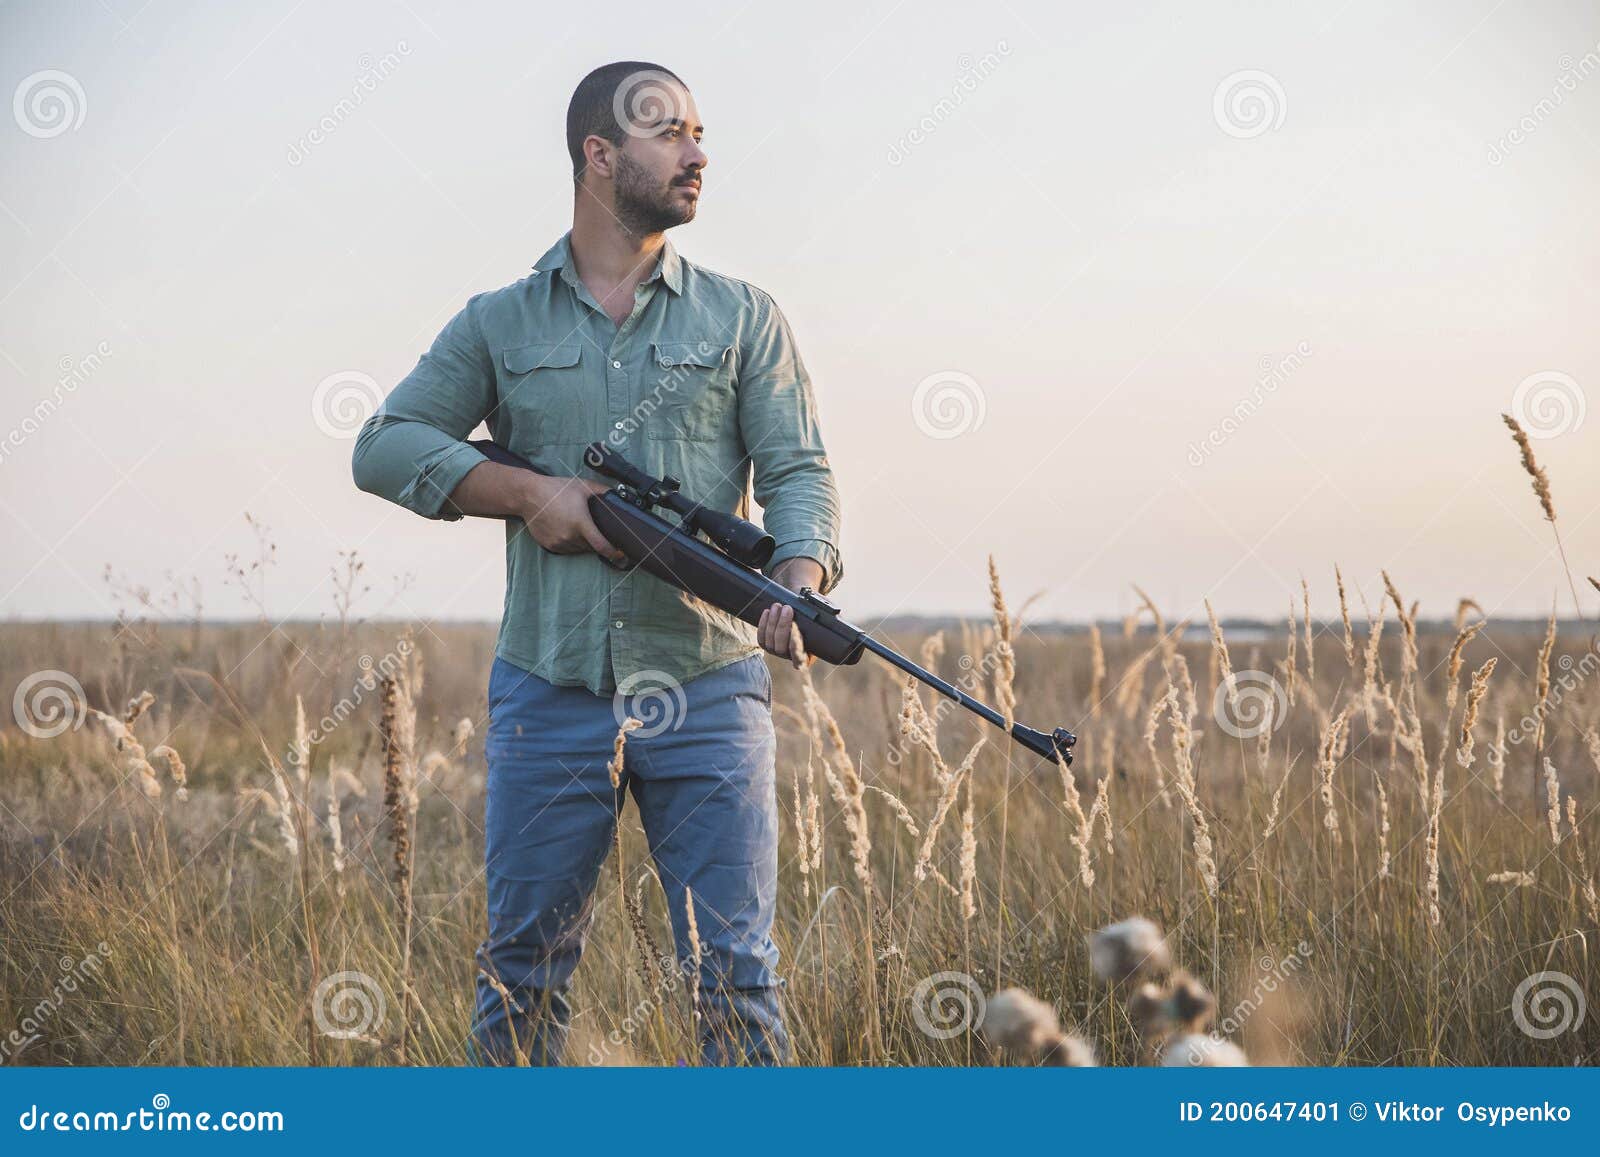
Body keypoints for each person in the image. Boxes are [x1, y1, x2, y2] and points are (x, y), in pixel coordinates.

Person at [352, 61, 842, 1066]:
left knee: (736, 975)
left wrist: (795, 578)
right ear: (599, 154)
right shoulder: (501, 319)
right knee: (521, 970)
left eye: (701, 132)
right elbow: (385, 443)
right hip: (550, 686)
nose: (697, 153)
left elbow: (798, 472)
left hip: (708, 683)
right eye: (669, 132)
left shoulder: (743, 315)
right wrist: (531, 494)